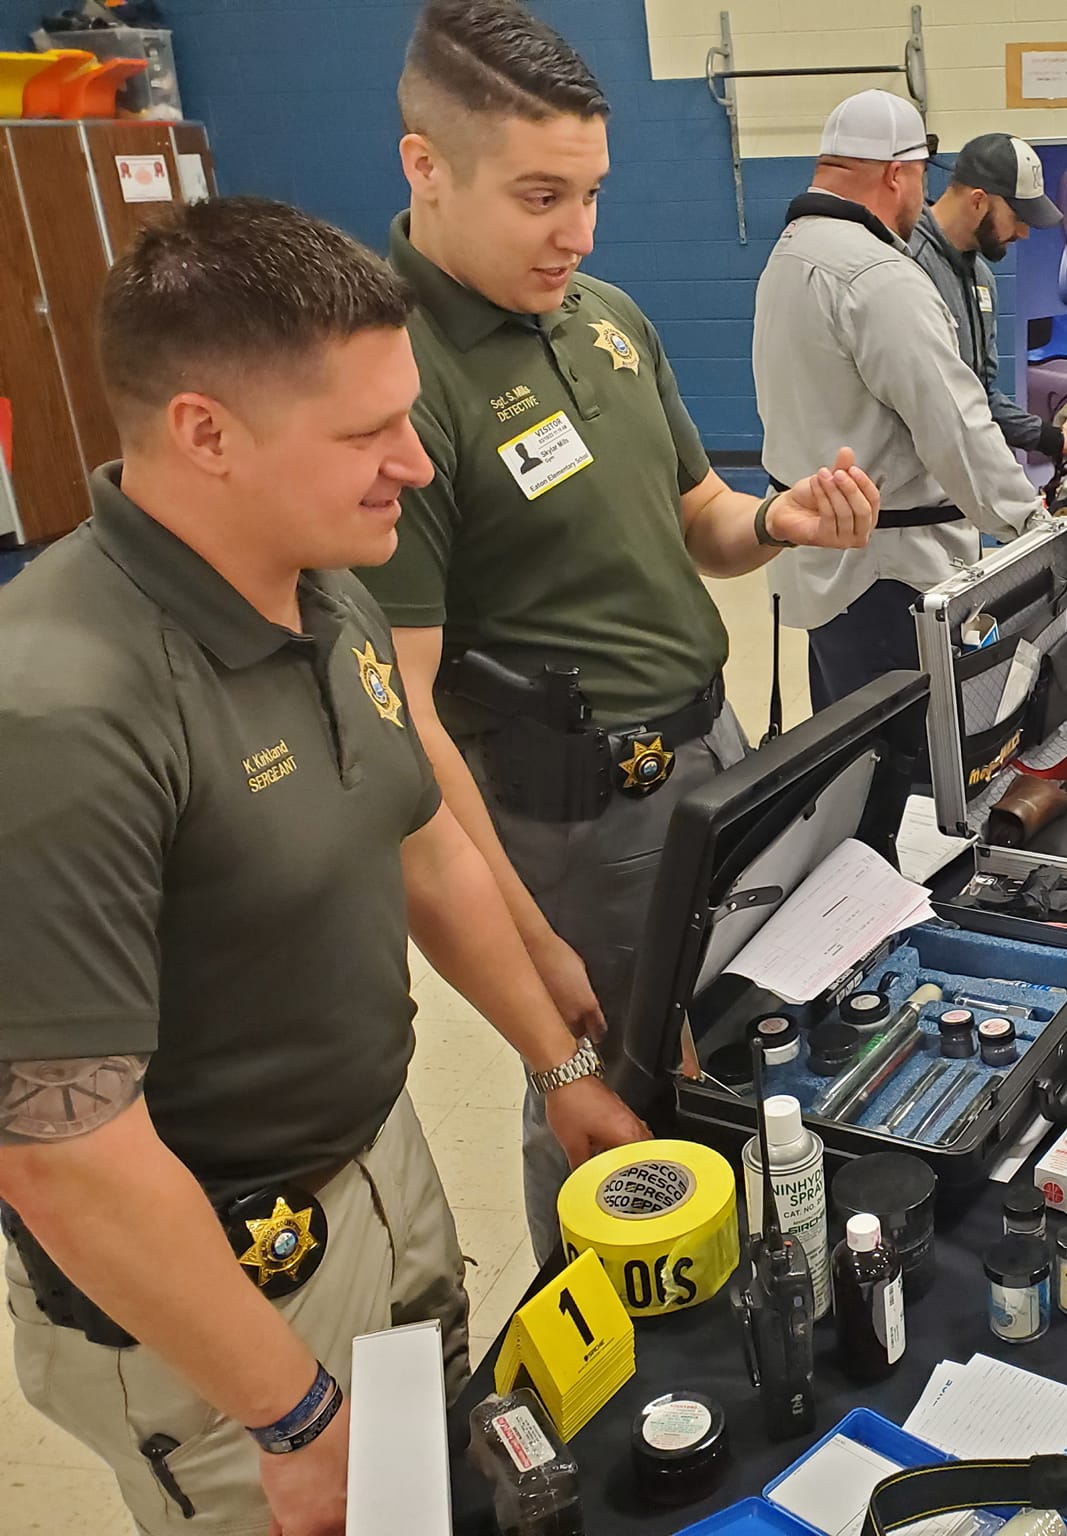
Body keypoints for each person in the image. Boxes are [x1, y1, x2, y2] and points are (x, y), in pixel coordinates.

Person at [0, 197, 649, 1536]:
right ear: (205, 434)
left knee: (454, 1496)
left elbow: (412, 833)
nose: (415, 465)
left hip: (374, 1165)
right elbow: (60, 1155)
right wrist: (289, 1411)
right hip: (217, 1291)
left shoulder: (318, 578)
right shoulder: (60, 713)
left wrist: (560, 1064)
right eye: (367, 433)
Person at [357, 0, 880, 1264]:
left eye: (589, 194)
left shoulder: (607, 315)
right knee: (604, 1102)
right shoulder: (391, 378)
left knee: (744, 1035)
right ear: (425, 165)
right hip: (573, 819)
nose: (576, 232)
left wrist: (780, 525)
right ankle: (600, 1358)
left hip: (713, 756)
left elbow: (699, 515)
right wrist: (529, 950)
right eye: (540, 197)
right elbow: (403, 710)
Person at [755, 89, 1043, 718]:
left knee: (850, 759)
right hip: (890, 580)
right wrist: (1033, 526)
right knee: (910, 779)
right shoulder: (877, 276)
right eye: (917, 178)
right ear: (898, 172)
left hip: (827, 571)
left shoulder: (790, 255)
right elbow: (955, 421)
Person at [907, 132, 1067, 464]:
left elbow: (980, 397)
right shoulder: (906, 267)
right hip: (909, 498)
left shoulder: (982, 279)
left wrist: (1054, 439)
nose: (1023, 232)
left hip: (957, 490)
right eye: (1017, 216)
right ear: (978, 200)